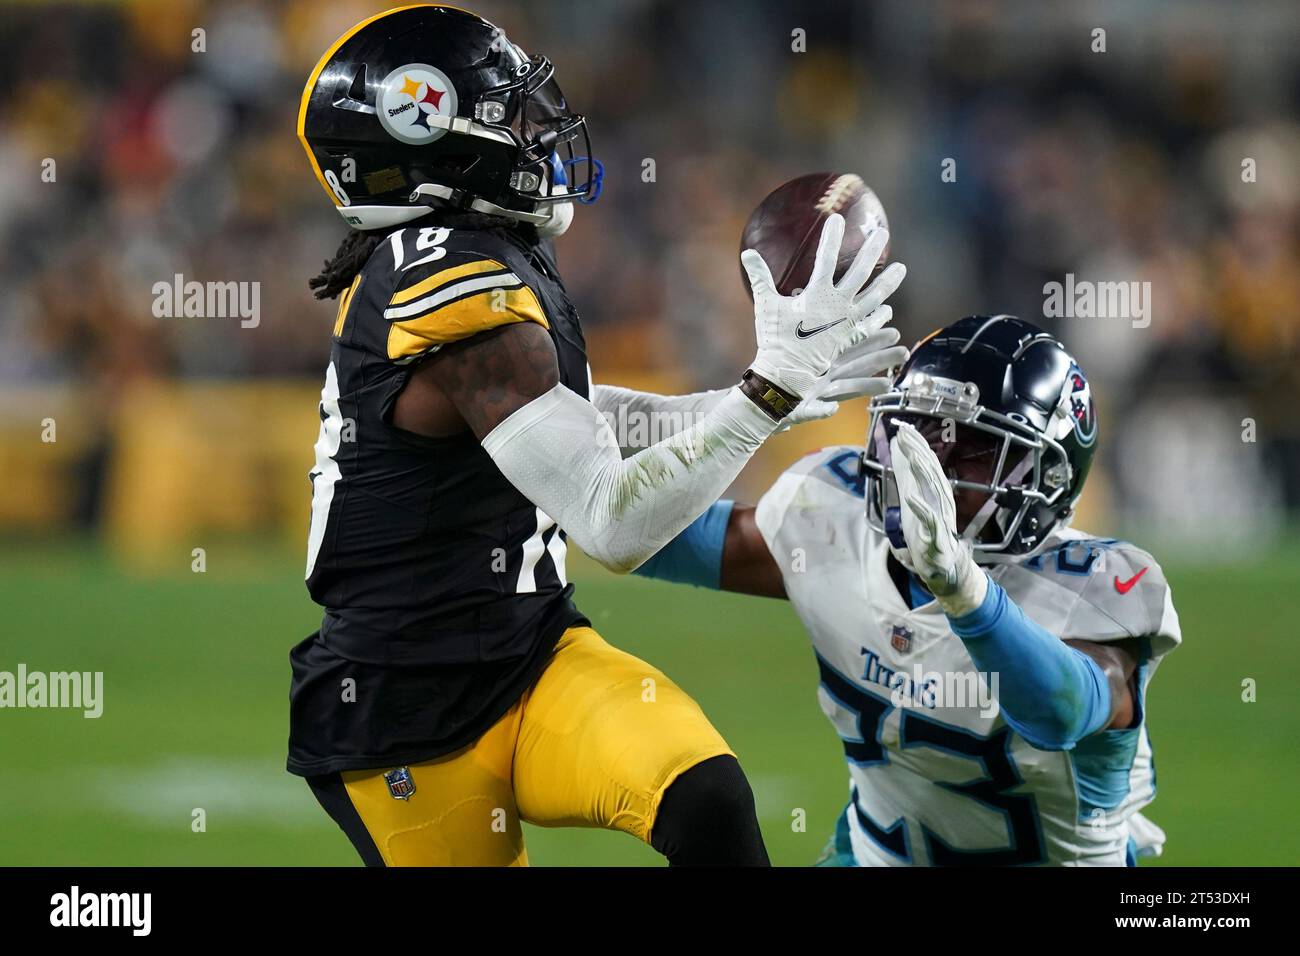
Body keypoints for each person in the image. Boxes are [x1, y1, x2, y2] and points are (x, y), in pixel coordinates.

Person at [288, 4, 906, 866]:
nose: (537, 132)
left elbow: (582, 420)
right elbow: (610, 522)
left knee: (706, 797)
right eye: (507, 115)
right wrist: (763, 397)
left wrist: (754, 398)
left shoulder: (480, 250)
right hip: (405, 710)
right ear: (432, 140)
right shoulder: (448, 282)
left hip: (533, 653)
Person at [635, 315, 1180, 865]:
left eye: (974, 448)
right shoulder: (832, 517)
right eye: (915, 433)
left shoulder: (1091, 583)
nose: (930, 468)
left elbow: (1061, 714)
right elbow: (645, 533)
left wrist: (966, 593)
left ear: (1045, 480)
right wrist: (563, 476)